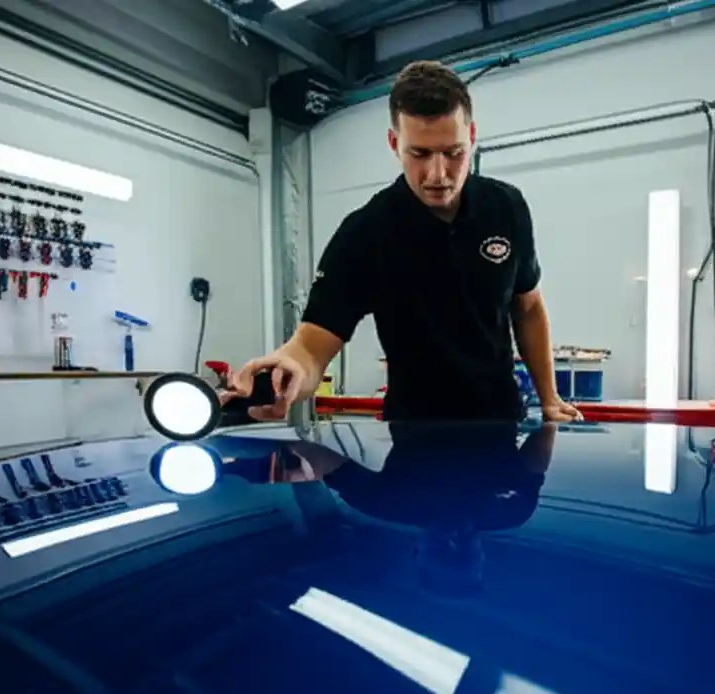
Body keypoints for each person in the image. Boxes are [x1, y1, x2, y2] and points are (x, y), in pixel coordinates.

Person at [230, 60, 582, 423]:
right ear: (395, 143)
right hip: (415, 431)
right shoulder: (365, 233)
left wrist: (549, 398)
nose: (438, 174)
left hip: (501, 422)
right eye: (420, 154)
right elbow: (311, 346)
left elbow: (528, 308)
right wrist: (290, 367)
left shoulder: (507, 207)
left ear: (472, 136)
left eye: (453, 152)